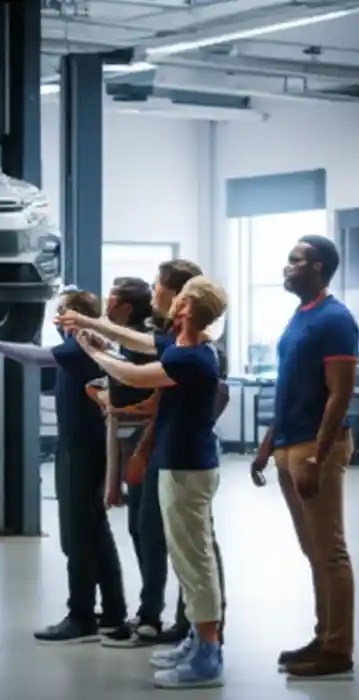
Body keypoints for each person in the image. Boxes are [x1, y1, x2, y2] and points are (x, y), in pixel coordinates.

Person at [58, 260, 228, 648]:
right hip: (179, 462)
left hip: (188, 467)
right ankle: (195, 642)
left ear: (184, 306)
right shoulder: (183, 345)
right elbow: (138, 343)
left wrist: (91, 350)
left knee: (194, 561)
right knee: (188, 559)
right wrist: (92, 327)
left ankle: (205, 648)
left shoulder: (191, 357)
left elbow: (133, 375)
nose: (157, 296)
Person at [0, 288, 126, 643]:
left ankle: (81, 615)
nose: (56, 319)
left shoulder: (81, 344)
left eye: (61, 312)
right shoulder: (91, 344)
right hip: (87, 447)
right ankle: (112, 610)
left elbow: (36, 357)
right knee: (94, 531)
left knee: (77, 535)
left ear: (75, 314)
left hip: (79, 451)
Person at [250, 234, 359, 681]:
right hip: (288, 444)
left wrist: (317, 454)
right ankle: (323, 636)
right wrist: (267, 443)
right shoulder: (300, 317)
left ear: (318, 268)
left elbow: (340, 394)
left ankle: (338, 650)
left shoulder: (335, 320)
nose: (287, 266)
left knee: (329, 550)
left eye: (296, 260)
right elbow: (292, 387)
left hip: (316, 448)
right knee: (313, 550)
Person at [79, 278, 163, 648]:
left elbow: (139, 384)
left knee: (152, 534)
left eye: (112, 298)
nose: (106, 303)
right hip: (132, 445)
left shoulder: (149, 343)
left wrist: (97, 352)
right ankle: (149, 612)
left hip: (149, 444)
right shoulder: (130, 342)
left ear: (126, 307)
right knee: (138, 529)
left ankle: (152, 618)